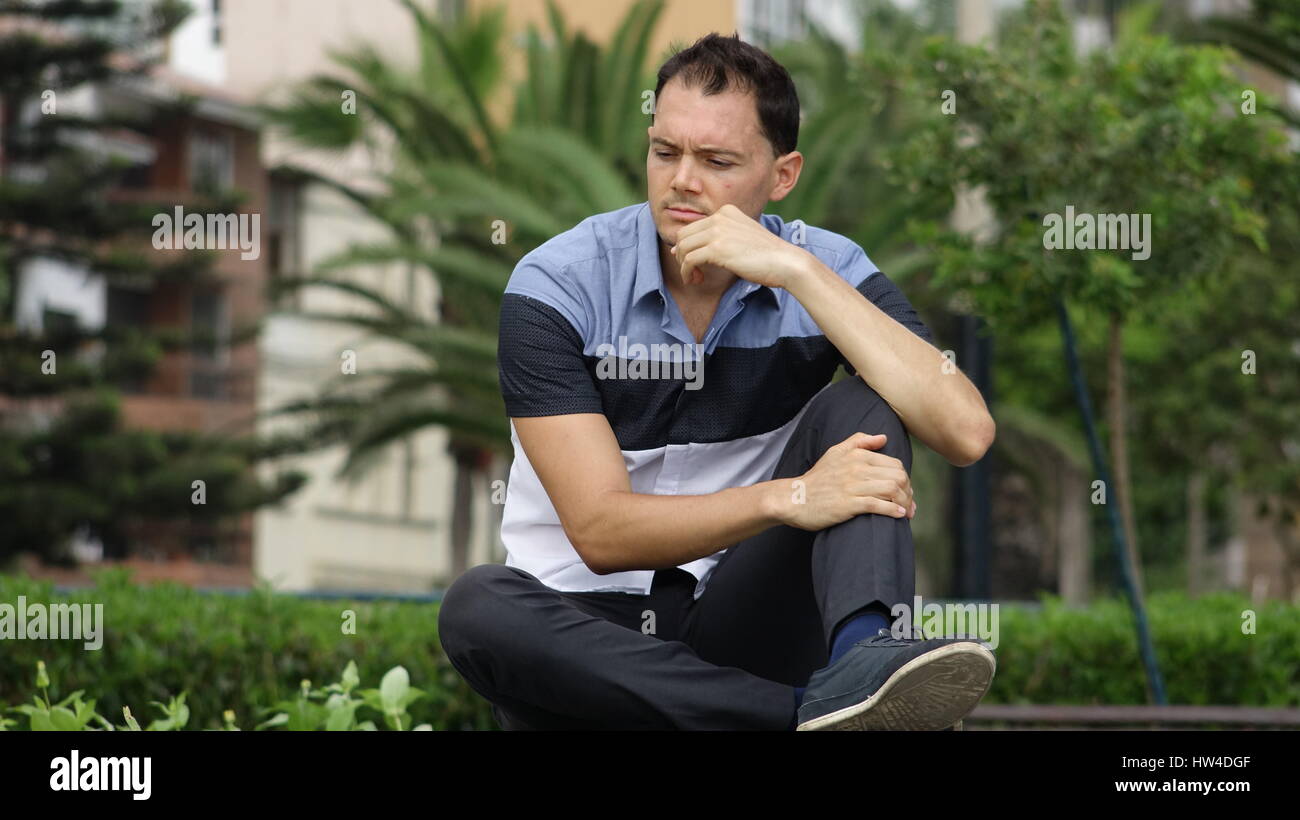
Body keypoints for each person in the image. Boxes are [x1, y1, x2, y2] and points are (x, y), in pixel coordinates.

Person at [438, 31, 998, 731]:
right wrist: (791, 497)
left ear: (783, 175)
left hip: (741, 615)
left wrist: (798, 272)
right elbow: (601, 531)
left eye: (718, 160)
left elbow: (967, 431)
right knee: (478, 606)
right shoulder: (559, 285)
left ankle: (865, 664)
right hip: (586, 638)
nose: (682, 180)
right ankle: (815, 716)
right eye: (665, 151)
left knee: (864, 403)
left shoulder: (826, 268)